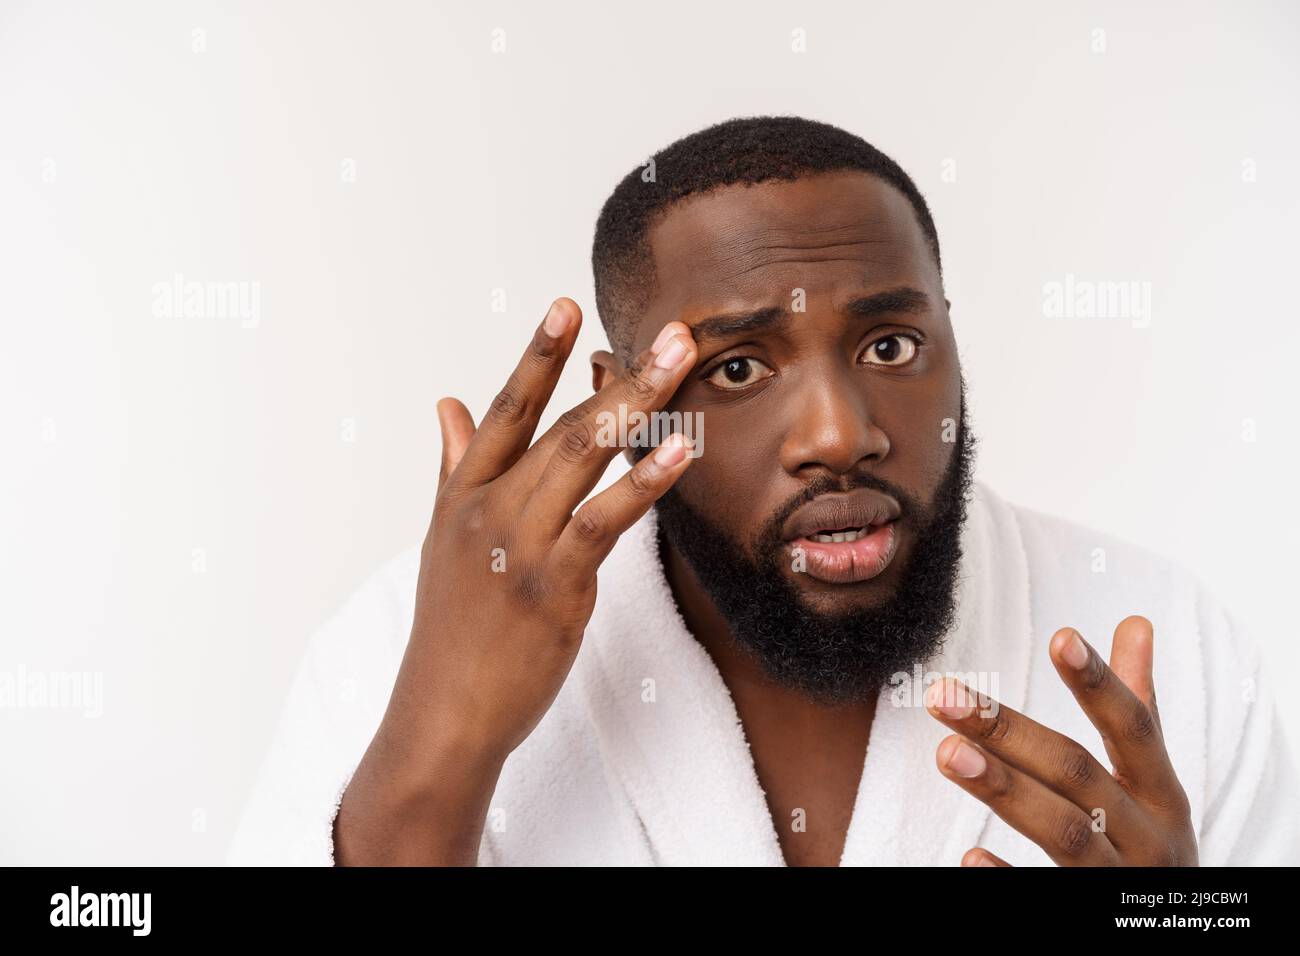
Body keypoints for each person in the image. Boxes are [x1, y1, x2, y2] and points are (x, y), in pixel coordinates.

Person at [228, 116, 1300, 866]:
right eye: (738, 367)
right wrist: (433, 753)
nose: (842, 434)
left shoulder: (1167, 655)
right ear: (628, 404)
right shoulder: (398, 659)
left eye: (890, 342)